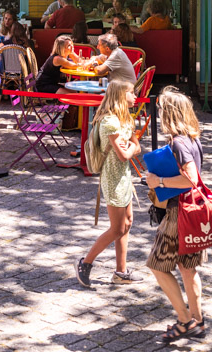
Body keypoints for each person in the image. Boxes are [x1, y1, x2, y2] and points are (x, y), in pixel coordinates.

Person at [145, 87, 207, 342]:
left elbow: (191, 179)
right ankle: (198, 322)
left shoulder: (179, 143)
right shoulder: (192, 139)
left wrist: (157, 180)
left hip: (178, 215)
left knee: (158, 267)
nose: (159, 116)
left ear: (169, 114)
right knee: (188, 269)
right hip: (195, 213)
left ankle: (184, 320)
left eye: (161, 111)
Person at [75, 80, 141, 288]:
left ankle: (121, 272)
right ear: (121, 96)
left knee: (127, 224)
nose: (135, 97)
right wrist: (130, 149)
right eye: (132, 93)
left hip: (124, 176)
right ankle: (85, 263)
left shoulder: (126, 119)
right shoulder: (110, 122)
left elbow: (137, 146)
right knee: (116, 228)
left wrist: (130, 148)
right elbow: (124, 155)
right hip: (113, 177)